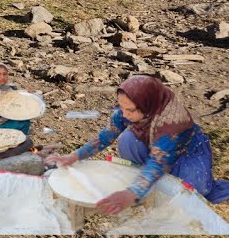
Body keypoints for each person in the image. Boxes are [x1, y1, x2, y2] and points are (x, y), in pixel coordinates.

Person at [45, 75, 229, 215]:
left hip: (186, 154)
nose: (124, 114)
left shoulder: (171, 123)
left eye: (130, 110)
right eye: (121, 107)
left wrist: (131, 193)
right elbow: (105, 137)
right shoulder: (130, 108)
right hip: (154, 149)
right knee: (127, 139)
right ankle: (144, 179)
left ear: (147, 105)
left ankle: (152, 183)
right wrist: (74, 156)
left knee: (191, 197)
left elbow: (158, 163)